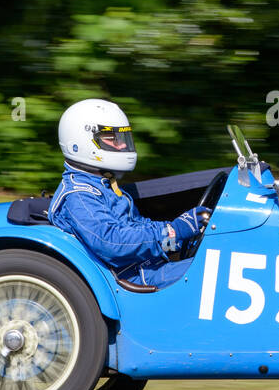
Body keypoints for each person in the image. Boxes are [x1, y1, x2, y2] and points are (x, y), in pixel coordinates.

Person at [48, 98, 208, 289]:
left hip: (147, 266)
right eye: (112, 139)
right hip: (134, 277)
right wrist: (174, 231)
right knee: (215, 271)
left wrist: (180, 240)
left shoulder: (106, 185)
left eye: (122, 138)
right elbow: (111, 242)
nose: (123, 145)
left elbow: (138, 228)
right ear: (81, 142)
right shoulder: (80, 196)